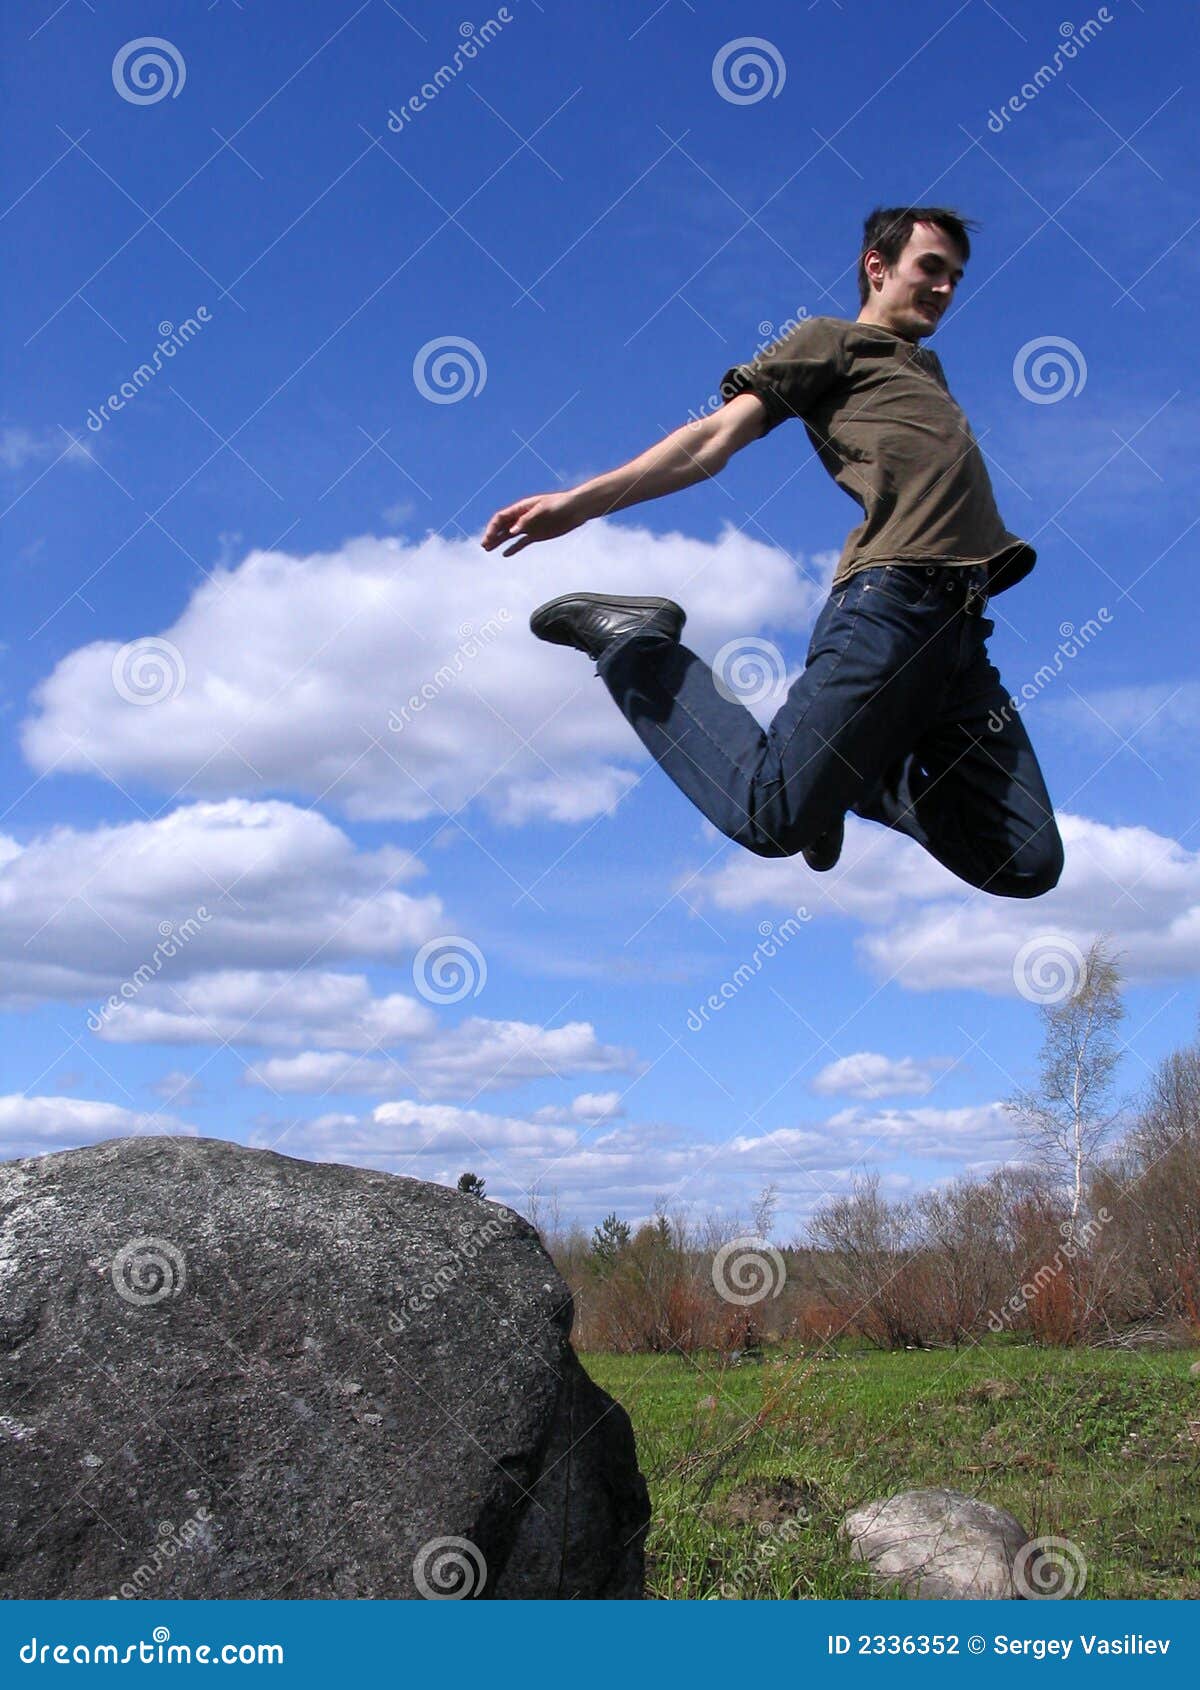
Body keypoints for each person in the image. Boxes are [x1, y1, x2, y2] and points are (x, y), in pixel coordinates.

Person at [480, 205, 1064, 898]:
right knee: (772, 816)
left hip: (961, 639)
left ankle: (863, 773)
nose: (944, 288)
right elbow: (713, 439)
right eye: (929, 269)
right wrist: (579, 503)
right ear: (876, 267)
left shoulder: (925, 370)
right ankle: (635, 646)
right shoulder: (832, 341)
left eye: (956, 278)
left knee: (1025, 861)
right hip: (891, 608)